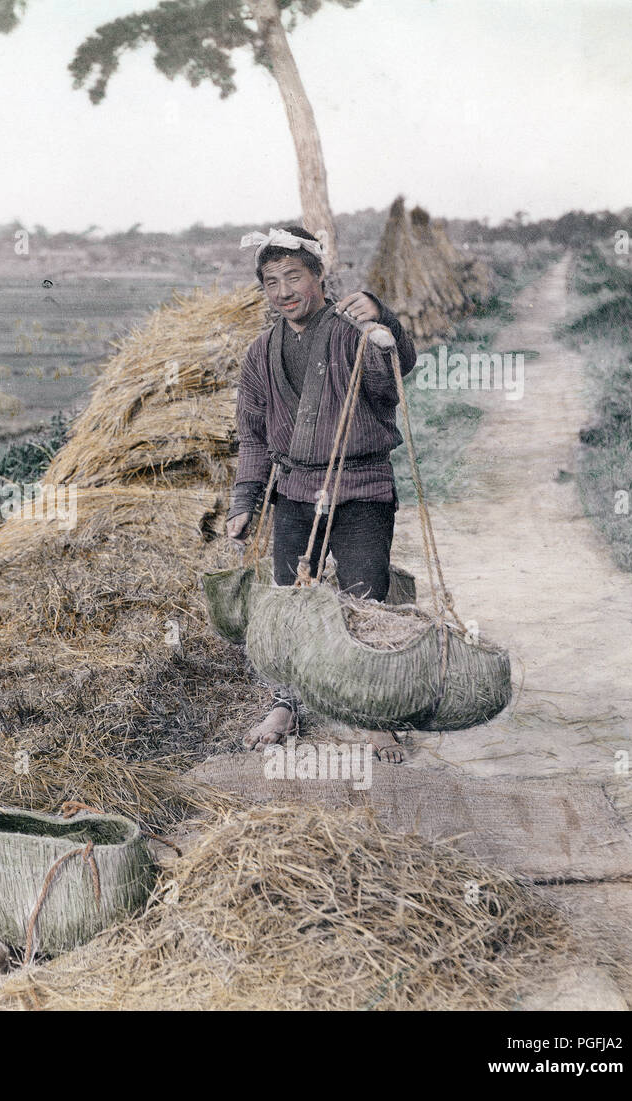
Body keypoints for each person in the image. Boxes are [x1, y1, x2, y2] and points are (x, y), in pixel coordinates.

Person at [225, 227, 417, 763]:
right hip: (295, 490)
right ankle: (286, 703)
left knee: (366, 601)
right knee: (291, 602)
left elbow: (395, 372)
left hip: (361, 486)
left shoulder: (355, 333)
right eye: (271, 281)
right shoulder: (261, 352)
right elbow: (254, 436)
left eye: (294, 277)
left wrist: (383, 320)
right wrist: (245, 502)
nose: (284, 290)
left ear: (320, 278)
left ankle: (373, 716)